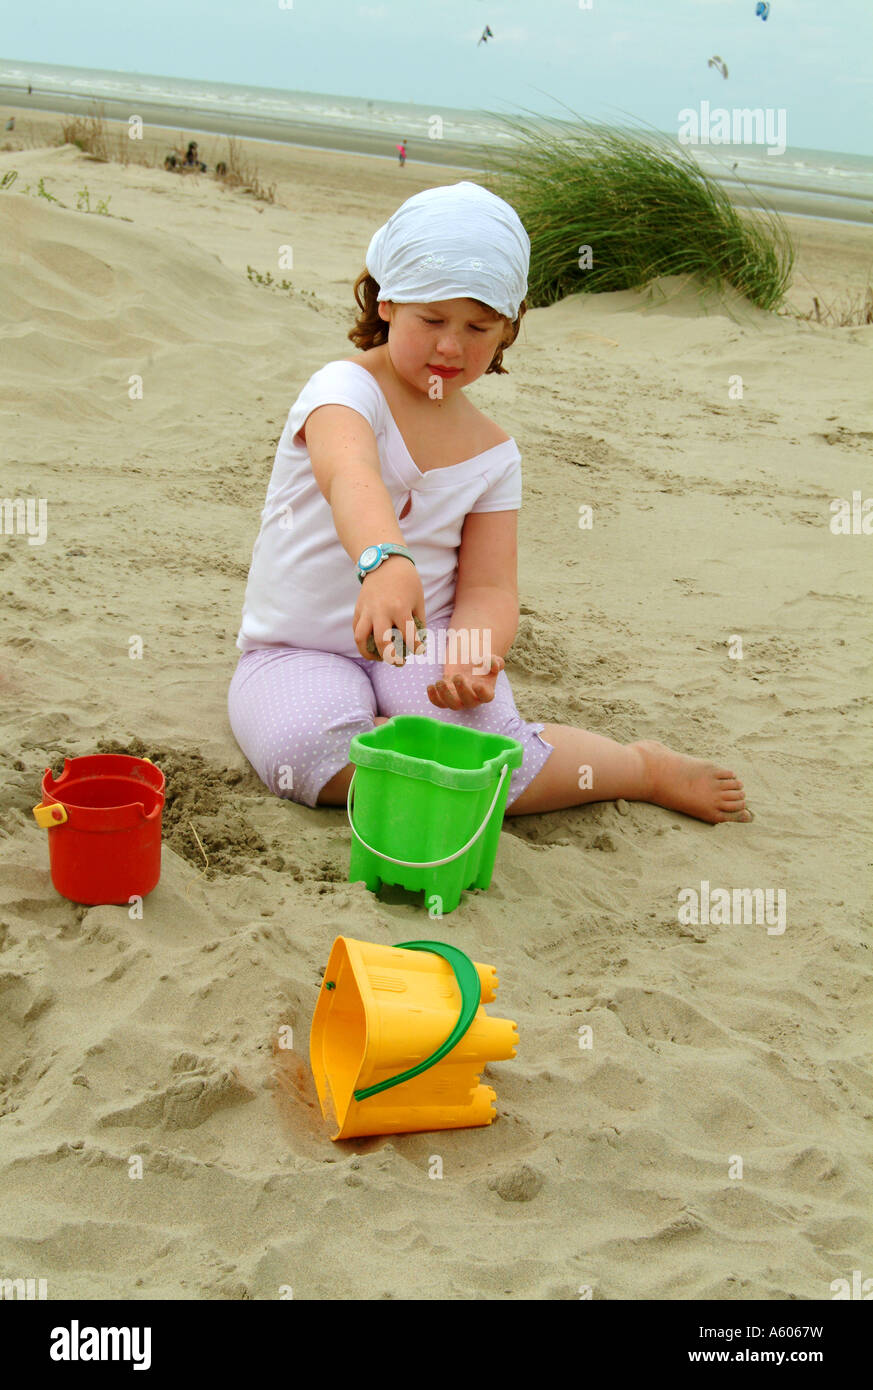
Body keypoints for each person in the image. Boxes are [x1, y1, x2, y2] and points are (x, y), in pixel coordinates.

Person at [228, 181, 750, 823]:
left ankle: (638, 766)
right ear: (387, 303)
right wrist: (384, 559)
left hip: (425, 646)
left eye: (478, 327)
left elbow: (491, 586)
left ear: (507, 330)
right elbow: (349, 472)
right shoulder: (343, 389)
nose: (452, 346)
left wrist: (476, 654)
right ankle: (406, 753)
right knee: (302, 751)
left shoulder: (494, 454)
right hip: (297, 646)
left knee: (494, 758)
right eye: (432, 320)